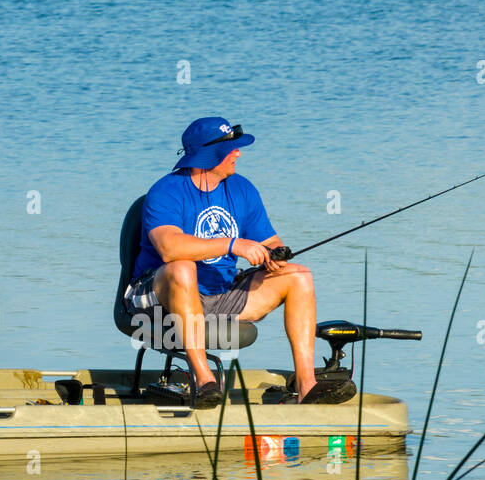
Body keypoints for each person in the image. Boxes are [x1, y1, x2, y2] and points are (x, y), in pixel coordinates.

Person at [123, 117, 355, 407]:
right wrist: (234, 244)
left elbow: (269, 240)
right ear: (208, 155)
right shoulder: (166, 192)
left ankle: (308, 385)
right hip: (157, 299)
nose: (239, 154)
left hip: (220, 294)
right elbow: (170, 249)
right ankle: (204, 381)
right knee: (183, 266)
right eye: (231, 149)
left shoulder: (242, 189)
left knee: (299, 275)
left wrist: (276, 255)